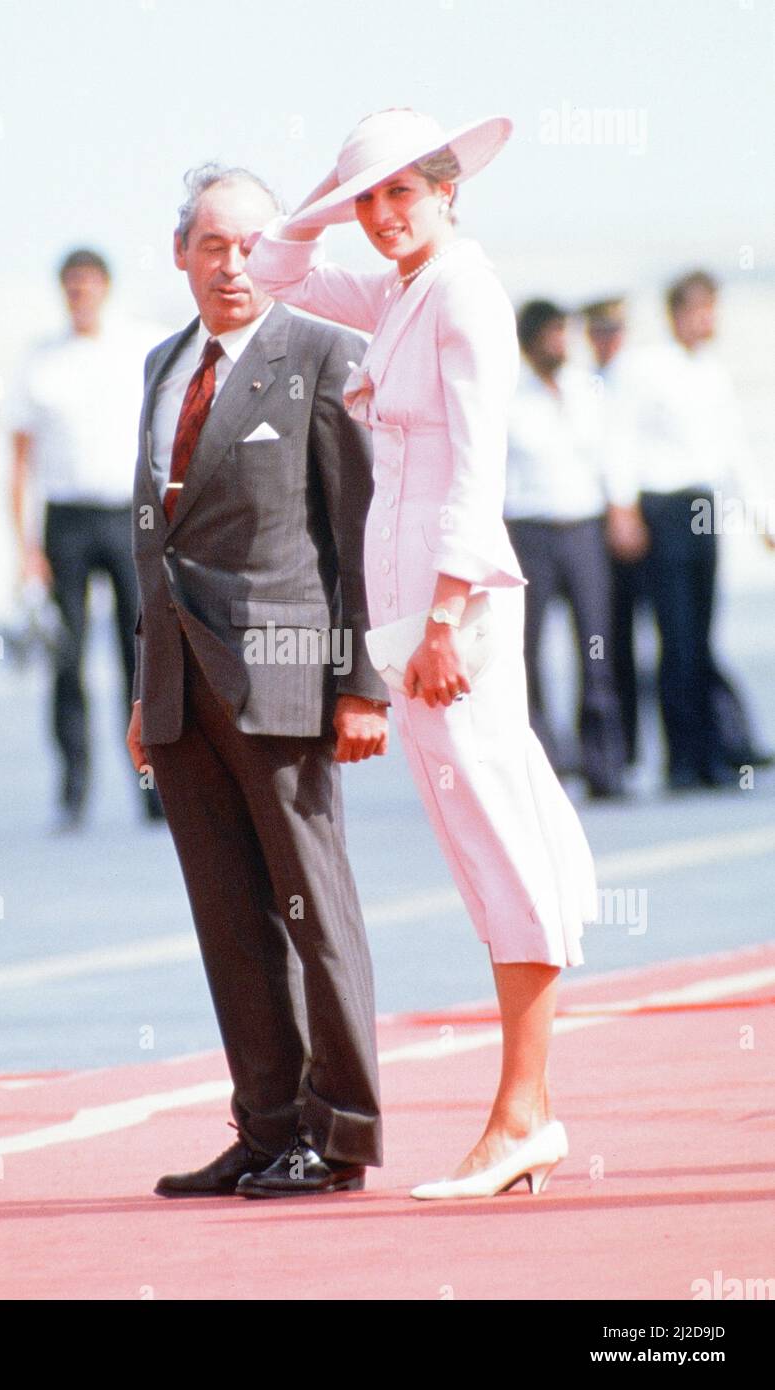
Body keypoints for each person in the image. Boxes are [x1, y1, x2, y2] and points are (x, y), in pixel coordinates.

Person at [247, 107, 598, 1200]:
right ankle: (522, 1113)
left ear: (453, 192)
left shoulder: (462, 293)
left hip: (454, 614)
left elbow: (477, 466)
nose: (384, 215)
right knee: (478, 840)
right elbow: (276, 267)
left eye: (405, 191)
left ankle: (523, 1114)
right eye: (371, 198)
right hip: (407, 616)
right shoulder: (400, 290)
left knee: (499, 841)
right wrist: (331, 185)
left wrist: (445, 619)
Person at [126, 164, 389, 1198]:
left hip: (287, 677)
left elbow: (357, 531)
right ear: (181, 254)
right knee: (230, 919)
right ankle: (269, 1124)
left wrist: (362, 681)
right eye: (212, 246)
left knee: (312, 912)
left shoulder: (325, 353)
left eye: (250, 246)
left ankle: (343, 1134)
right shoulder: (161, 362)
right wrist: (147, 689)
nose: (232, 266)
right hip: (184, 688)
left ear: (278, 253)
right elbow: (151, 535)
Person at [585, 294, 772, 776]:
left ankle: (711, 754)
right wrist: (623, 506)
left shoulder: (711, 372)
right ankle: (683, 759)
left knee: (699, 635)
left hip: (701, 506)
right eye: (698, 310)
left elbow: (734, 447)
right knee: (674, 636)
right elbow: (619, 437)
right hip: (661, 506)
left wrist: (760, 516)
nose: (707, 320)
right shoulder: (647, 367)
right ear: (675, 314)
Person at [10, 248, 165, 827]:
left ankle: (151, 787)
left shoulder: (138, 348)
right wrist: (26, 547)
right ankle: (73, 789)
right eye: (71, 285)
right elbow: (19, 459)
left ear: (105, 286)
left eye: (89, 283)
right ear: (61, 291)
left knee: (142, 654)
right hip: (66, 519)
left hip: (128, 515)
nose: (81, 293)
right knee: (67, 659)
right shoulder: (41, 360)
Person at [504, 299, 630, 798]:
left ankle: (604, 765)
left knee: (597, 647)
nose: (561, 344)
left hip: (583, 529)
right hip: (528, 531)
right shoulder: (509, 392)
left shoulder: (587, 388)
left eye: (565, 333)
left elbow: (613, 451)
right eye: (552, 334)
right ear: (531, 341)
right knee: (527, 653)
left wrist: (623, 509)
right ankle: (543, 765)